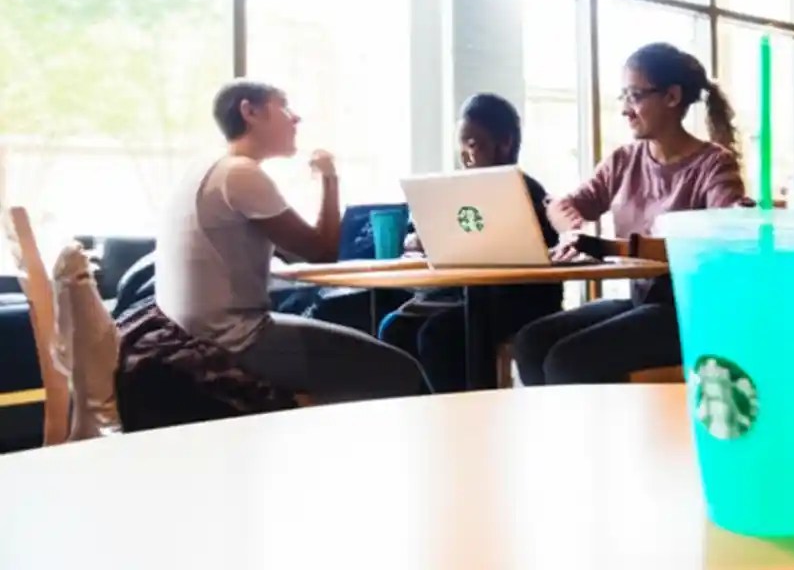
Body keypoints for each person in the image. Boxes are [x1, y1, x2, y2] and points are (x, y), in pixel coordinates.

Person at [155, 80, 428, 404]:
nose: (295, 118)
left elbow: (290, 248)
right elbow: (321, 252)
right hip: (235, 339)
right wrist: (329, 177)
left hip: (192, 335)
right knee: (403, 372)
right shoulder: (239, 173)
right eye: (284, 106)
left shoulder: (207, 168)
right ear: (250, 111)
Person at [513, 42, 747, 385]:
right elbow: (563, 205)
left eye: (635, 96)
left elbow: (721, 234)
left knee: (569, 360)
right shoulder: (624, 160)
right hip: (642, 303)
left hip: (689, 312)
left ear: (671, 97)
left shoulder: (714, 163)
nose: (625, 109)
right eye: (623, 96)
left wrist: (610, 247)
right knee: (531, 342)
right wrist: (571, 231)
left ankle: (596, 434)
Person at [378, 93, 563, 392]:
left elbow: (523, 251)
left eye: (473, 144)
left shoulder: (523, 189)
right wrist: (423, 238)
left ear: (504, 143)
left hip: (521, 299)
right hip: (467, 294)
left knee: (438, 334)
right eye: (461, 145)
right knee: (396, 327)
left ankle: (459, 417)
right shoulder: (461, 189)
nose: (465, 155)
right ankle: (420, 416)